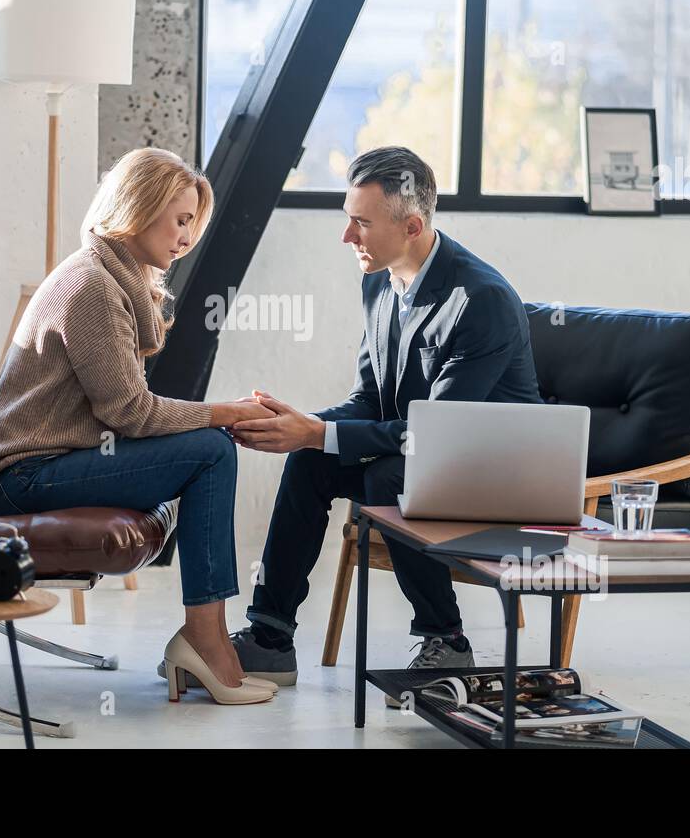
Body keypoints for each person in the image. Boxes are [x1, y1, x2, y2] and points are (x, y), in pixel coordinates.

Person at [229, 146, 542, 704]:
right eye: (348, 218)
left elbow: (436, 431)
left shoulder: (481, 299)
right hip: (425, 460)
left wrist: (317, 431)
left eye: (362, 223)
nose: (347, 237)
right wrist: (297, 426)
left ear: (412, 225)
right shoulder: (379, 283)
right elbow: (371, 401)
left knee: (387, 477)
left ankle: (447, 641)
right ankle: (271, 637)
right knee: (310, 461)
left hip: (501, 475)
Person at [0, 147, 277, 705]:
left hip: (49, 465)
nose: (187, 238)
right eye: (180, 219)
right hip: (21, 479)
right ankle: (205, 638)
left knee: (210, 446)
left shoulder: (112, 275)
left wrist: (217, 418)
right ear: (140, 205)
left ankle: (202, 637)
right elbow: (129, 413)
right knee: (212, 449)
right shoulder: (93, 287)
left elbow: (126, 411)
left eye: (193, 225)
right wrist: (224, 413)